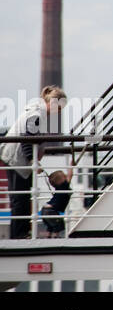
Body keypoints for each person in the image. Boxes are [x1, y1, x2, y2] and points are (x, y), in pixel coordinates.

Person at [1, 86, 67, 240]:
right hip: (17, 160)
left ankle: (21, 233)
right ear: (52, 103)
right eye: (60, 107)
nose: (60, 111)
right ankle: (19, 235)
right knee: (20, 200)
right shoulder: (37, 115)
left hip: (16, 159)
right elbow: (26, 139)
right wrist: (32, 161)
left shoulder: (38, 112)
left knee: (22, 199)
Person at [39, 170, 72, 236]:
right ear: (61, 181)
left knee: (51, 225)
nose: (66, 176)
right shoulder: (64, 186)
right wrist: (71, 167)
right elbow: (70, 175)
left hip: (44, 210)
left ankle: (49, 235)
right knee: (58, 224)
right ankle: (56, 236)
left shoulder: (58, 187)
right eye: (64, 176)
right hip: (51, 210)